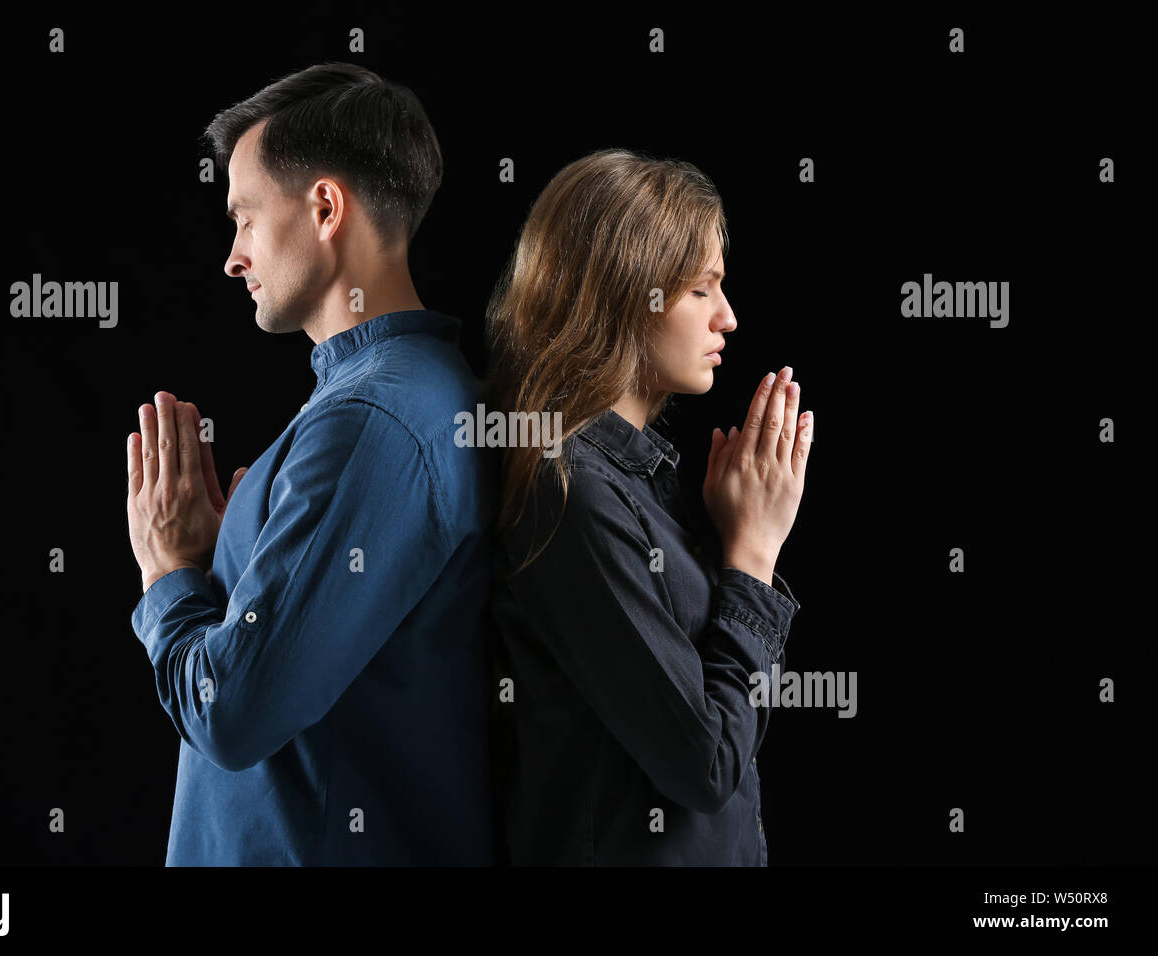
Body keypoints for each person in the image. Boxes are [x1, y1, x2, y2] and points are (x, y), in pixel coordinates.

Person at [124, 63, 498, 865]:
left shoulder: (371, 423)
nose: (233, 257)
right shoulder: (405, 400)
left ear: (325, 207)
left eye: (246, 220)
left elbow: (232, 713)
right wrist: (240, 567)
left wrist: (170, 577)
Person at [486, 148, 813, 865]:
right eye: (703, 289)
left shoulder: (637, 481)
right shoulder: (569, 491)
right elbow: (705, 764)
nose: (728, 316)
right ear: (628, 292)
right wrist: (753, 556)